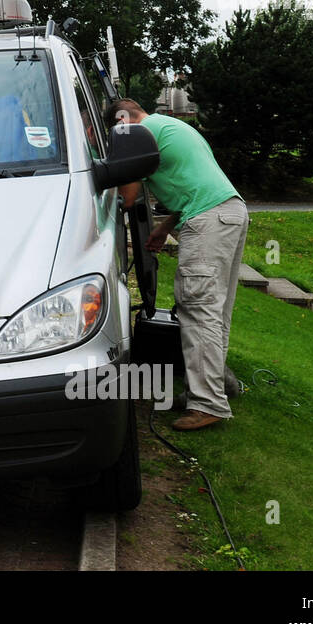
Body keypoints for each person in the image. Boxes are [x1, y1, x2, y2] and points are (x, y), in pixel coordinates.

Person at [106, 98, 248, 431]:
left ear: (121, 120)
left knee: (198, 310)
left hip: (208, 220)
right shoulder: (173, 127)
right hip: (229, 213)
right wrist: (164, 227)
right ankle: (208, 392)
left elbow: (126, 197)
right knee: (214, 312)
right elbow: (192, 181)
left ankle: (207, 403)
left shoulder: (134, 133)